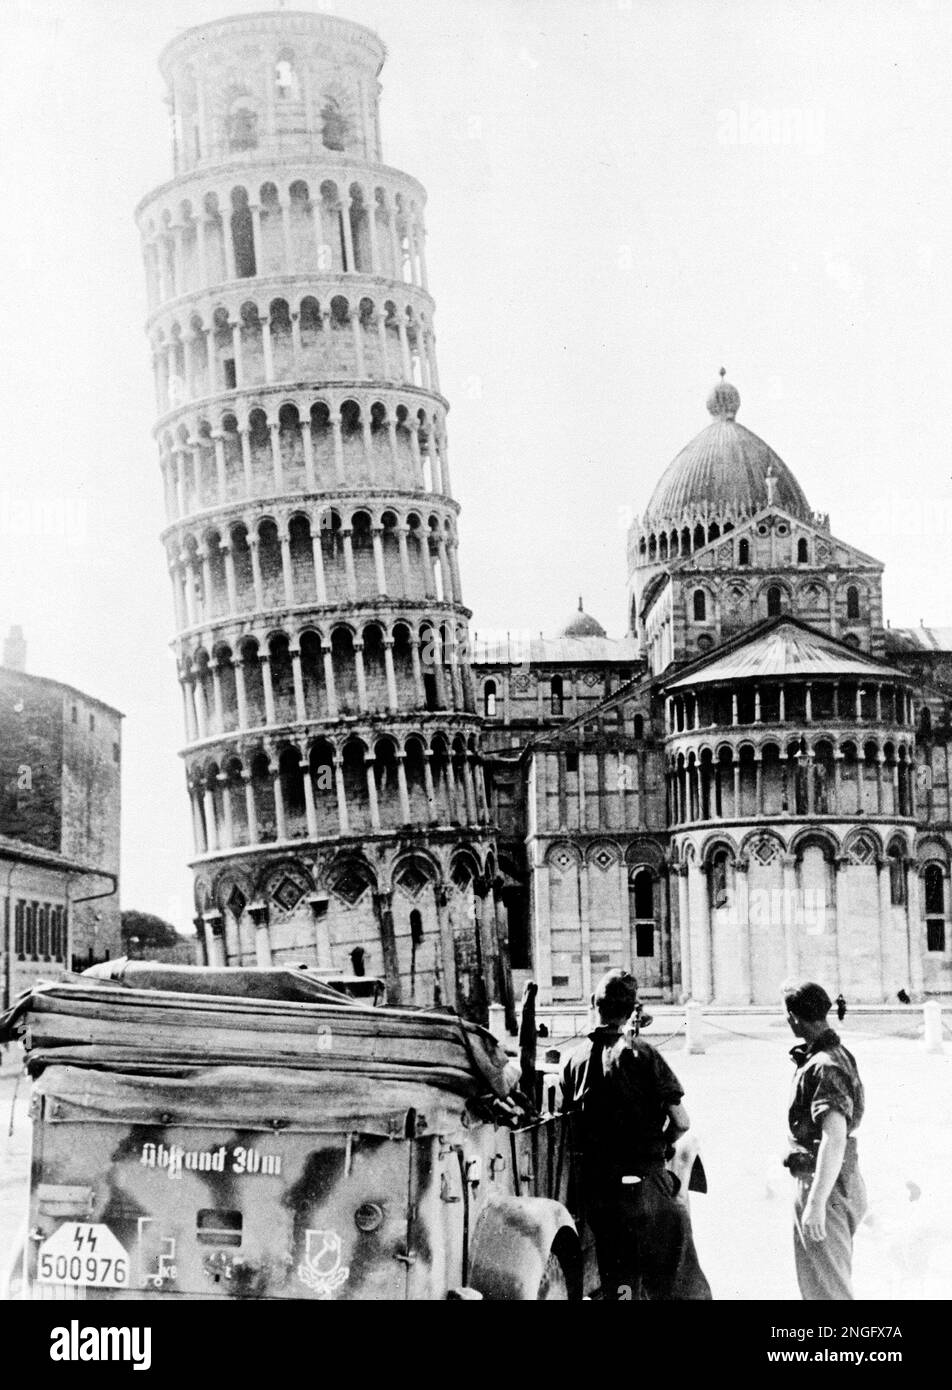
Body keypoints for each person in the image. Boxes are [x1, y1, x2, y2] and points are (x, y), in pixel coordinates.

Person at [560, 969, 711, 1300]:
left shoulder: (573, 1061)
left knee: (622, 1288)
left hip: (605, 1198)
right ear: (631, 1010)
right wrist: (664, 1148)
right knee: (671, 1288)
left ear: (593, 1005)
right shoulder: (644, 1054)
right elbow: (681, 1121)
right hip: (649, 1189)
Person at [783, 981, 867, 1301]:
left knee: (830, 1292)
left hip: (825, 1185)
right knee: (820, 1287)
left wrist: (816, 1203)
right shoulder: (834, 1055)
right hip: (834, 1181)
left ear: (794, 1018)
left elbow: (834, 1137)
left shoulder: (825, 1065)